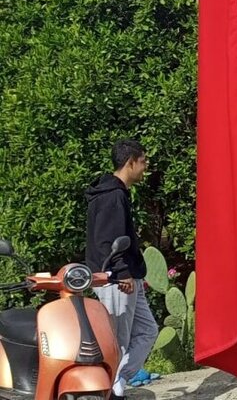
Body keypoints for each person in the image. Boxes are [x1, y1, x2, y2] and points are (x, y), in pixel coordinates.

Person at [86, 139, 158, 400]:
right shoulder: (112, 196)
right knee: (118, 340)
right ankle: (109, 391)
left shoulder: (115, 193)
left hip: (127, 277)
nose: (146, 166)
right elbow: (107, 240)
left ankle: (117, 383)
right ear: (130, 162)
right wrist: (121, 272)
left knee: (148, 331)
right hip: (116, 279)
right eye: (143, 160)